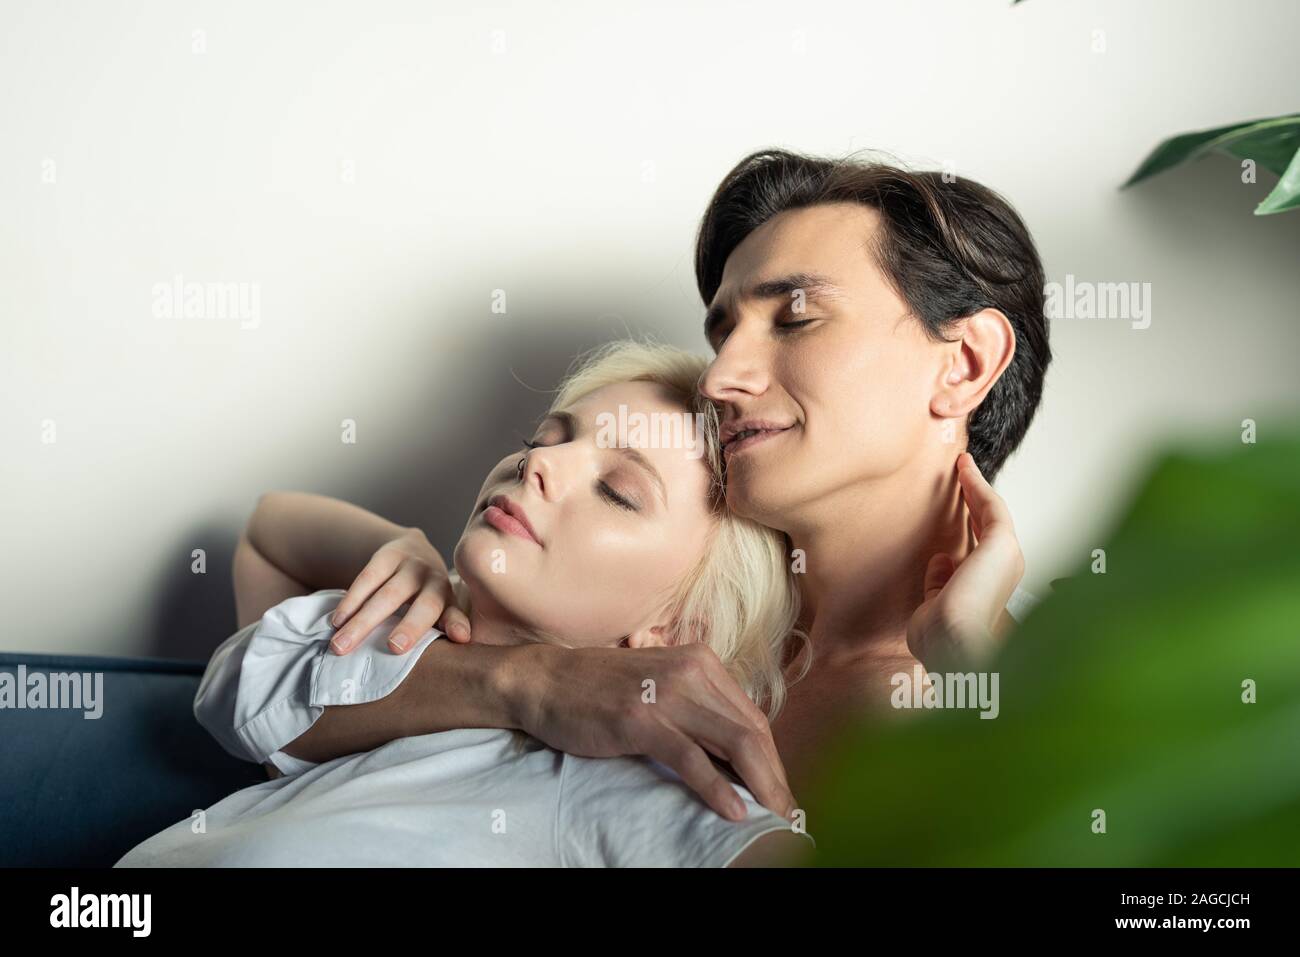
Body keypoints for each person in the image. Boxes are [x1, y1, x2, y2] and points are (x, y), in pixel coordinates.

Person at [208, 149, 1050, 823]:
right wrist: (527, 675)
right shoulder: (653, 612)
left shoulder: (1005, 694)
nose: (723, 375)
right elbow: (267, 671)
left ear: (965, 362)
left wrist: (974, 654)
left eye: (794, 316)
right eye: (723, 330)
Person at [116, 341, 813, 867]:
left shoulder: (616, 782)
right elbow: (262, 575)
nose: (538, 463)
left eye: (617, 490)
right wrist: (400, 545)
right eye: (547, 437)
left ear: (675, 628)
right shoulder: (391, 632)